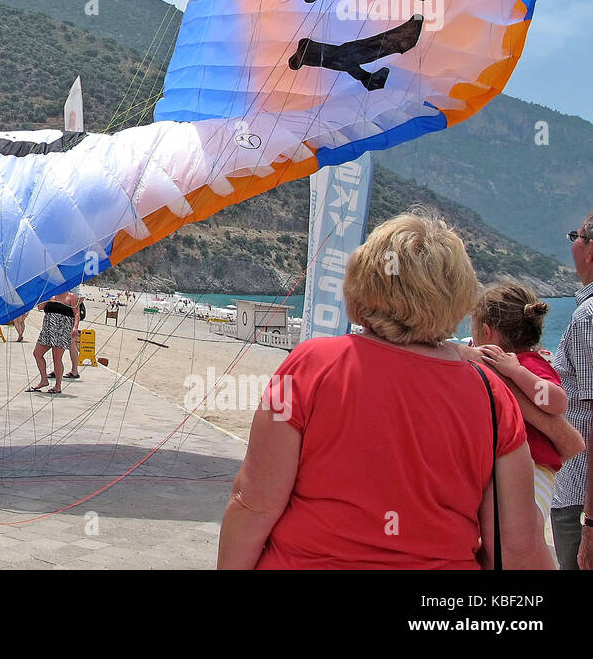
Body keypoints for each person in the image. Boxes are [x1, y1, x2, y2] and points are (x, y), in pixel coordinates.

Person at [218, 213, 550, 569]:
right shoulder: (491, 395)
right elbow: (517, 544)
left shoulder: (311, 365)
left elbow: (253, 501)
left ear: (363, 284)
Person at [463, 281, 580, 568]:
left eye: (474, 330)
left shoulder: (529, 363)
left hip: (537, 467)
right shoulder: (490, 361)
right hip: (507, 464)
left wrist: (515, 371)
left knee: (522, 537)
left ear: (487, 331)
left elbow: (557, 401)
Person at [551, 216, 593, 570]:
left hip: (581, 496)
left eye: (575, 237)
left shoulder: (588, 317)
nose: (572, 245)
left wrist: (590, 522)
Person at [28, 289, 80, 395]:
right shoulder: (51, 295)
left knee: (56, 358)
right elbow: (40, 307)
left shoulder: (71, 297)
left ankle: (58, 386)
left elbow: (77, 313)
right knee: (37, 353)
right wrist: (46, 295)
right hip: (48, 328)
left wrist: (75, 327)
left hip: (62, 329)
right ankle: (44, 379)